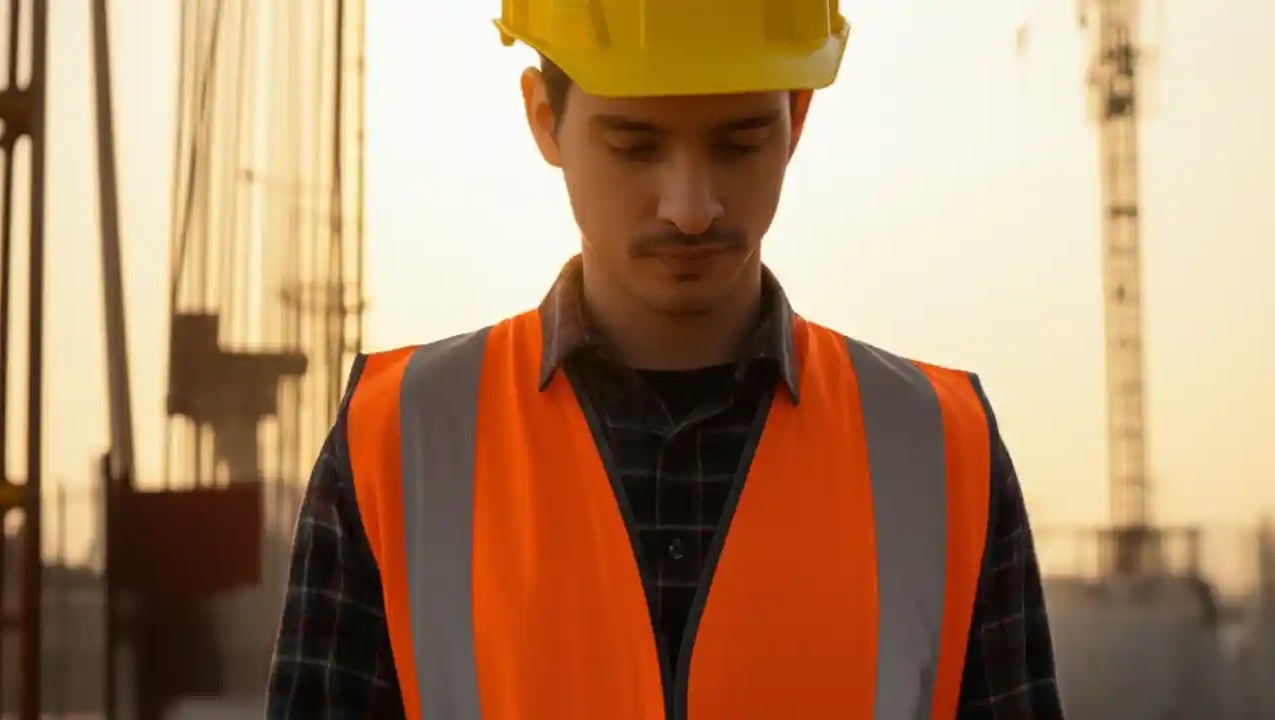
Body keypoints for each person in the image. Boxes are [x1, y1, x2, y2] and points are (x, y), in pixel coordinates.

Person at [265, 1, 1065, 718]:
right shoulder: (397, 444)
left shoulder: (937, 451)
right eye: (635, 145)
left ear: (799, 118)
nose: (691, 208)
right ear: (545, 119)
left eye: (740, 142)